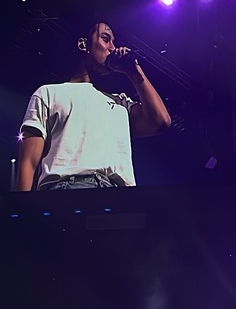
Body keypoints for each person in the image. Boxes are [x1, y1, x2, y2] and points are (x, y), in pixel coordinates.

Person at [14, 18, 171, 190]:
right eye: (105, 39)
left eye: (113, 42)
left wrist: (133, 71)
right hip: (67, 190)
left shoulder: (120, 103)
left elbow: (160, 120)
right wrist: (22, 206)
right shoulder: (48, 93)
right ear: (83, 44)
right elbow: (28, 164)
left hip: (119, 195)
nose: (112, 47)